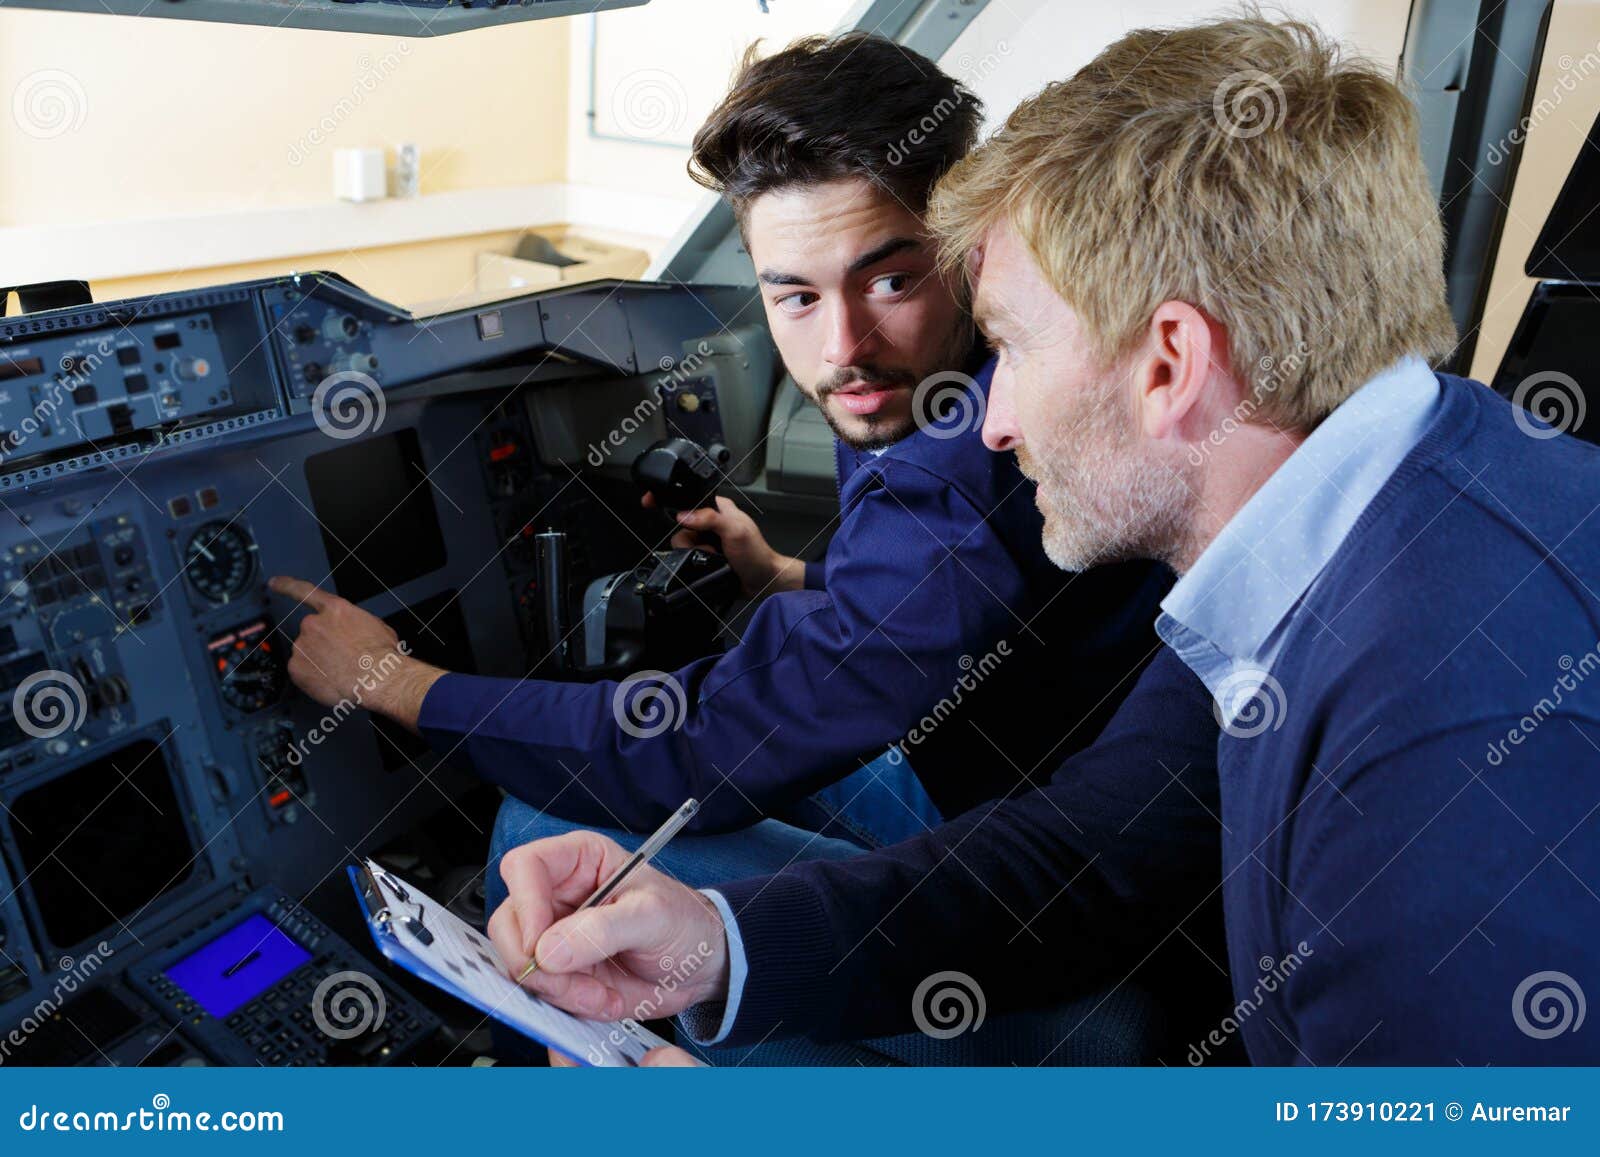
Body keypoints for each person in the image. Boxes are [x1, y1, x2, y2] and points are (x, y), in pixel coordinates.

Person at [487, 15, 1600, 1066]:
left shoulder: (1444, 744)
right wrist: (719, 946)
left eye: (1011, 346)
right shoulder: (1349, 515)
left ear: (1169, 363)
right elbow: (1094, 852)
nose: (993, 419)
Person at [269, 34, 1186, 1062]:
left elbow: (699, 741)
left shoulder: (955, 454)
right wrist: (792, 576)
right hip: (1036, 783)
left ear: (969, 250)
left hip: (1094, 927)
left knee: (540, 826)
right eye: (794, 294)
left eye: (888, 281)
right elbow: (964, 604)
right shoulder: (947, 387)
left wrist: (401, 683)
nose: (840, 346)